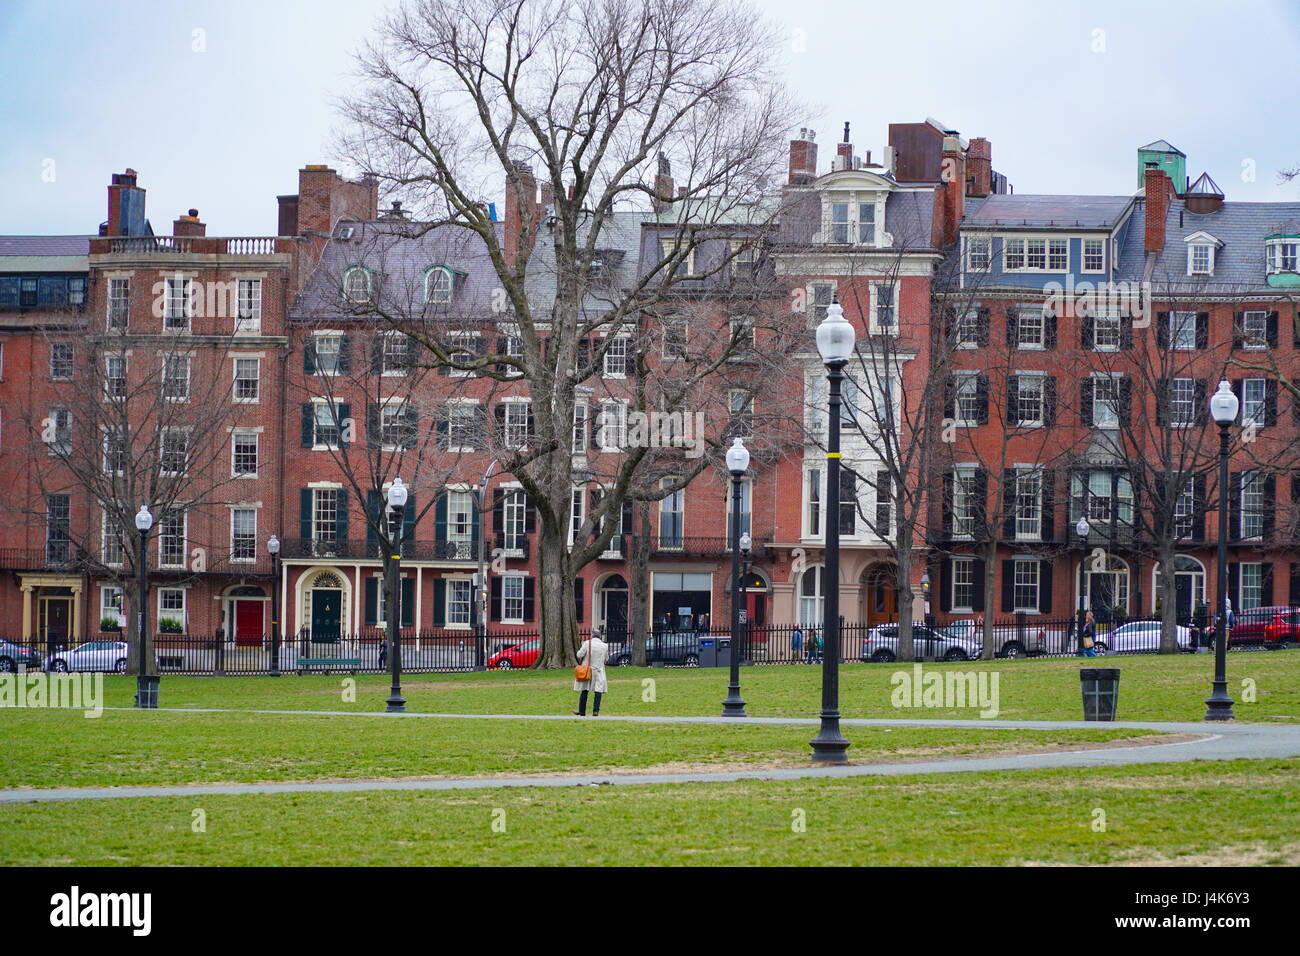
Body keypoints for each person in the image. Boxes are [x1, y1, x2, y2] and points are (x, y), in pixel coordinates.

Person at [573, 626, 610, 716]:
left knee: (584, 690)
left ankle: (582, 711)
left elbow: (579, 655)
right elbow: (606, 659)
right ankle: (595, 711)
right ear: (600, 636)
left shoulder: (587, 643)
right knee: (598, 691)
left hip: (587, 670)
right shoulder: (605, 646)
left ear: (592, 635)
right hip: (599, 671)